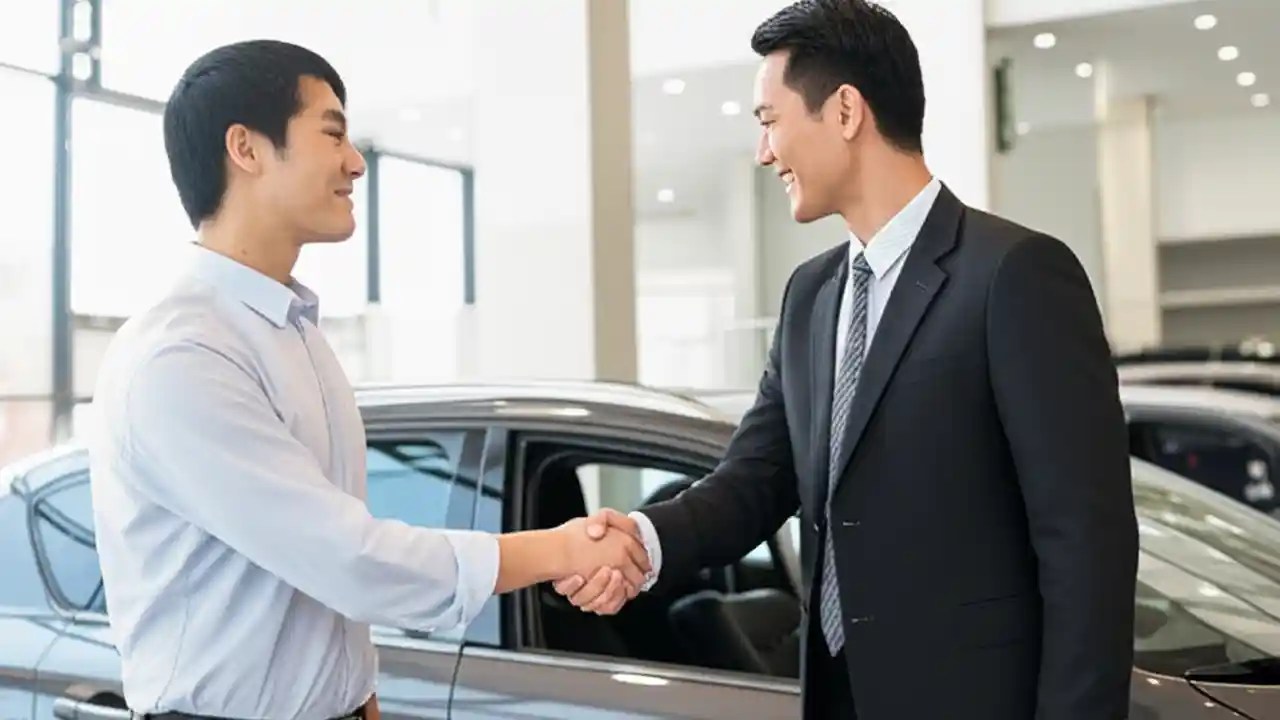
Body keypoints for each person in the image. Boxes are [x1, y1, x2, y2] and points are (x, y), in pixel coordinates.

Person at [554, 1, 1138, 718]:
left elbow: (1087, 545)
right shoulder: (810, 295)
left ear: (845, 110)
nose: (764, 152)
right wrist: (642, 539)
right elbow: (755, 479)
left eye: (769, 120)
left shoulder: (1014, 275)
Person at [87, 40, 646, 720]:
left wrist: (357, 698)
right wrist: (559, 548)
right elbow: (347, 557)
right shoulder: (181, 355)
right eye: (332, 134)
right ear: (246, 148)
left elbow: (316, 585)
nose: (355, 162)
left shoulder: (292, 330)